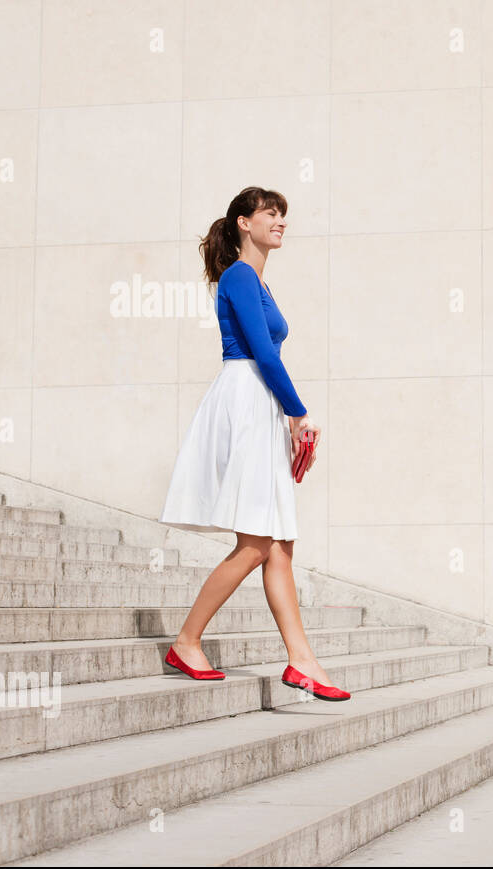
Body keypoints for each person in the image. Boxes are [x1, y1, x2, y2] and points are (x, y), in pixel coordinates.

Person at [157, 186, 348, 701]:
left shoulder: (259, 283)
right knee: (258, 542)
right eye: (270, 214)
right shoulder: (240, 276)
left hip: (260, 404)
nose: (281, 222)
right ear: (244, 223)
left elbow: (270, 358)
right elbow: (264, 354)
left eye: (283, 215)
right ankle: (187, 641)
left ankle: (302, 661)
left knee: (279, 544)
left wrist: (285, 419)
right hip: (245, 398)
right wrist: (298, 411)